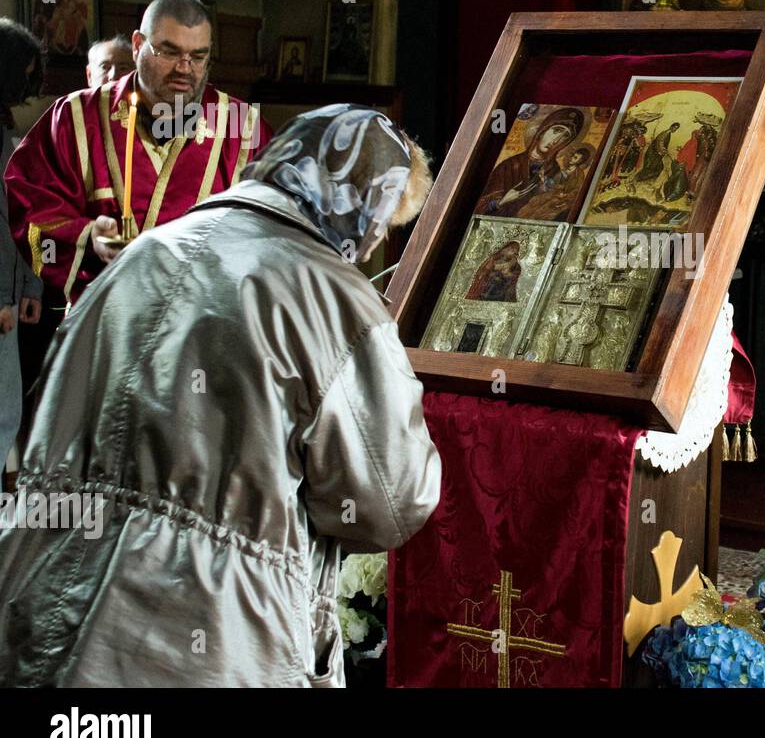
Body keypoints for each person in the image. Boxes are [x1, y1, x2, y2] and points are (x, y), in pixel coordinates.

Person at [0, 104, 440, 687]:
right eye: (385, 218)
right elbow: (390, 500)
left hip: (46, 611)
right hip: (209, 637)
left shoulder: (144, 252)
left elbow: (43, 423)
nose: (378, 235)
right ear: (364, 201)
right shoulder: (337, 301)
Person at [5, 0, 274, 311]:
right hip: (105, 323)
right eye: (169, 52)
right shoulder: (76, 116)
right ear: (137, 45)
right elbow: (28, 202)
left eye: (198, 56)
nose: (184, 69)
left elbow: (274, 232)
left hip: (204, 329)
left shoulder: (242, 129)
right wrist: (88, 235)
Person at [0, 19, 43, 471]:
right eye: (20, 75)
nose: (25, 89)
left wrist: (29, 286)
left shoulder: (8, 131)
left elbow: (19, 215)